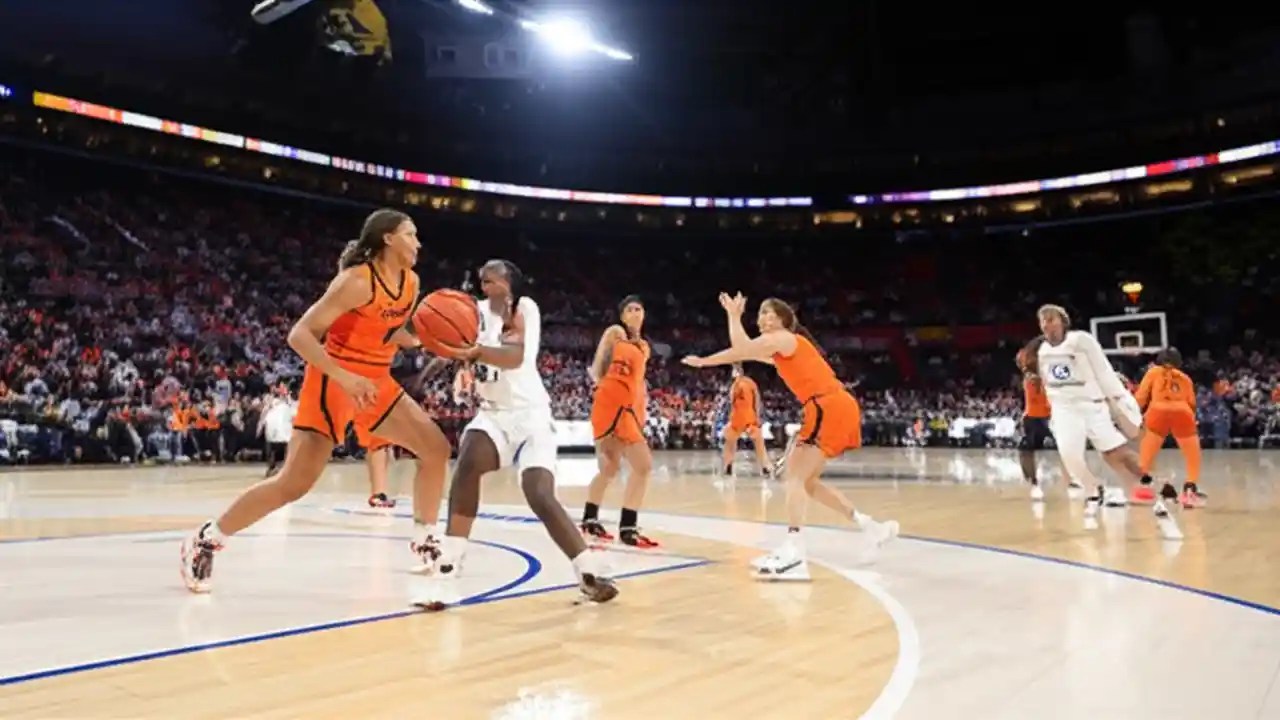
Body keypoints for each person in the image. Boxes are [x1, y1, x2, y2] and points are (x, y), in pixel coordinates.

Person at [180, 209, 452, 593]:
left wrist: (433, 337)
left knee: (436, 449)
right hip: (334, 380)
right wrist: (345, 377)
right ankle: (206, 538)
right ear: (388, 238)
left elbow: (391, 334)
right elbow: (300, 335)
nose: (419, 243)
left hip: (375, 381)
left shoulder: (411, 283)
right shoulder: (356, 281)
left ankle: (425, 540)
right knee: (293, 484)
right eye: (411, 234)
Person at [429, 260, 617, 605]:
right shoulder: (472, 312)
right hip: (493, 416)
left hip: (531, 417)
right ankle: (448, 566)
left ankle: (587, 569)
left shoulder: (525, 309)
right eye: (483, 277)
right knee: (468, 460)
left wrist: (475, 352)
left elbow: (514, 357)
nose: (486, 280)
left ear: (511, 284)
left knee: (539, 493)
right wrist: (428, 366)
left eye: (495, 276)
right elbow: (445, 341)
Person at [682, 293, 899, 580]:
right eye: (760, 314)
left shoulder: (784, 337)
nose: (764, 319)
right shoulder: (779, 347)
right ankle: (870, 527)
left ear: (783, 320)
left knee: (794, 478)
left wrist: (703, 361)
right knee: (806, 483)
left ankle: (795, 551)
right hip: (827, 406)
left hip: (827, 406)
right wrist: (733, 318)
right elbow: (744, 349)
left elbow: (742, 349)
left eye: (769, 314)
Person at [1033, 304, 1182, 539]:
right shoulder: (1042, 351)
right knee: (1070, 456)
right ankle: (1095, 490)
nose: (1046, 324)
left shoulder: (1082, 340)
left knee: (1117, 454)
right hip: (1064, 410)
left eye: (1051, 319)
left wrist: (1122, 402)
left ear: (1063, 321)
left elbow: (1103, 371)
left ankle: (1159, 483)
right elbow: (1048, 382)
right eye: (1042, 320)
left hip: (1092, 405)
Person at [580, 295, 658, 549]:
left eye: (639, 309)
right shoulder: (615, 335)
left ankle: (589, 518)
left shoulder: (643, 347)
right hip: (610, 405)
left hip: (627, 410)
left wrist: (639, 416)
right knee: (642, 466)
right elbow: (598, 368)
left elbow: (637, 386)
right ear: (623, 316)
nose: (636, 313)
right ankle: (628, 527)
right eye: (630, 309)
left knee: (610, 468)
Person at [1134, 348, 1207, 508]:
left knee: (1148, 448)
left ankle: (1143, 487)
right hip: (1182, 411)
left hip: (1157, 411)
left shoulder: (1153, 372)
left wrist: (1135, 414)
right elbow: (1192, 403)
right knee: (1192, 454)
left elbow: (1141, 396)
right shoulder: (1185, 378)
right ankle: (1190, 489)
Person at [1016, 336, 1082, 500]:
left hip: (1054, 413)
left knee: (1067, 448)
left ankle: (1074, 479)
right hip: (1032, 416)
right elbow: (1021, 359)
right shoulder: (1029, 366)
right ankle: (1033, 483)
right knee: (1026, 448)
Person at [721, 364, 773, 477]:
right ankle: (728, 465)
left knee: (759, 444)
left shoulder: (749, 383)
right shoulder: (734, 385)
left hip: (749, 418)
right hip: (737, 418)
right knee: (730, 443)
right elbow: (731, 403)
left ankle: (765, 467)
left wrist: (758, 416)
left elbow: (757, 400)